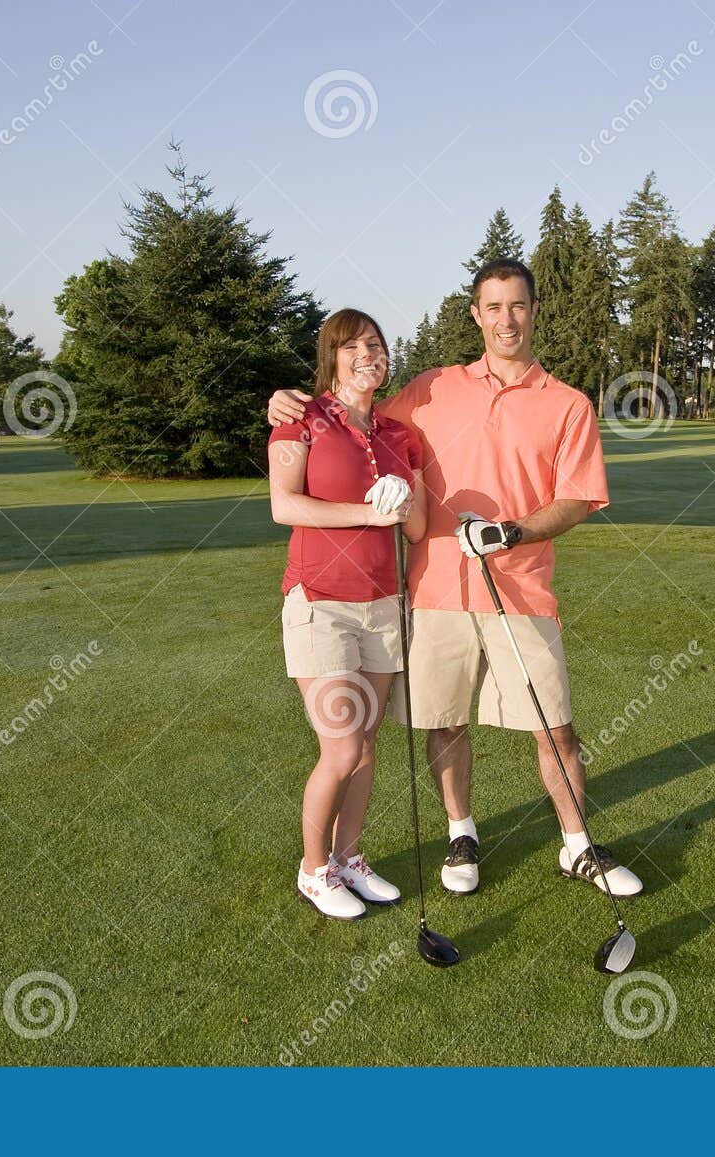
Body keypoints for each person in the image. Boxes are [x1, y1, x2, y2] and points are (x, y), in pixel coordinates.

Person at [268, 260, 643, 899]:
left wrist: (513, 532)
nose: (506, 320)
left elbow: (578, 498)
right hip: (434, 589)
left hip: (521, 588)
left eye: (517, 306)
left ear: (533, 310)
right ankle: (460, 832)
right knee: (445, 722)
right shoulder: (432, 388)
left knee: (555, 726)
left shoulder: (568, 404)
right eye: (492, 307)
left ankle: (576, 846)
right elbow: (353, 414)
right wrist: (286, 402)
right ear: (476, 315)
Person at [268, 308, 425, 920]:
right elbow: (285, 505)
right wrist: (367, 512)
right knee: (339, 750)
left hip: (383, 606)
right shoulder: (300, 418)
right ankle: (314, 870)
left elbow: (415, 527)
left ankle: (349, 859)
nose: (370, 354)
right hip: (321, 604)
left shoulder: (397, 434)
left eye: (378, 345)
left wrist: (402, 498)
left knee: (365, 747)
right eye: (355, 345)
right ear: (332, 356)